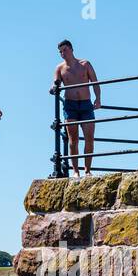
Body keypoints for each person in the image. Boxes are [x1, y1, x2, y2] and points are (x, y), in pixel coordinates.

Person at [51, 39, 102, 178]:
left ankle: (87, 170)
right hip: (70, 105)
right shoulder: (60, 68)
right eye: (60, 51)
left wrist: (98, 98)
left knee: (89, 138)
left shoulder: (85, 64)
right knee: (73, 140)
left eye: (65, 50)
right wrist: (53, 88)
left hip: (86, 104)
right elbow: (55, 83)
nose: (63, 53)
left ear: (72, 49)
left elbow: (95, 82)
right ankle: (75, 171)